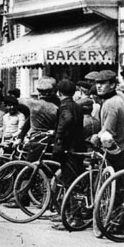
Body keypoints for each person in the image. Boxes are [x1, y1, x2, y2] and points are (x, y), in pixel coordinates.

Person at [51, 80, 85, 229]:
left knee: (72, 184)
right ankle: (69, 213)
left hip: (69, 150)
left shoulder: (64, 106)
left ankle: (76, 218)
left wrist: (58, 140)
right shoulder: (77, 106)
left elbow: (67, 121)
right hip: (77, 148)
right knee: (71, 182)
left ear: (59, 93)